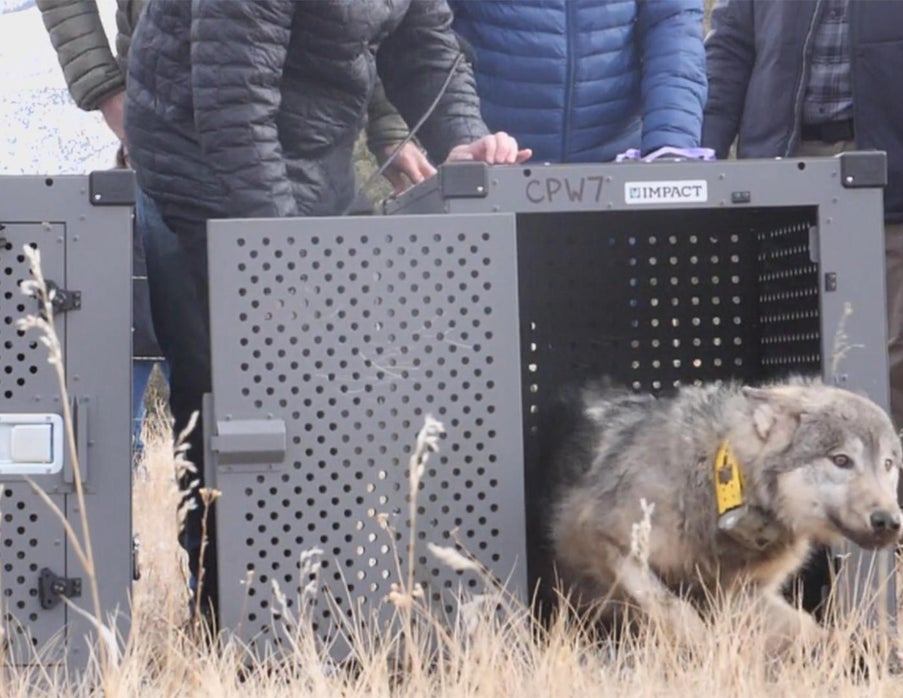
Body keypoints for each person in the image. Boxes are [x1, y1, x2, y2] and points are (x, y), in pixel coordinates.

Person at [122, 0, 532, 626]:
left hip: (316, 148)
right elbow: (234, 105)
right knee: (227, 386)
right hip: (198, 156)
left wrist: (464, 135)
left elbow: (425, 42)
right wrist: (288, 266)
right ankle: (228, 614)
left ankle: (337, 604)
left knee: (341, 385)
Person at [34, 0, 439, 458]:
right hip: (174, 127)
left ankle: (324, 498)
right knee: (203, 373)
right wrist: (104, 88)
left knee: (325, 368)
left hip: (309, 138)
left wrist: (388, 123)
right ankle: (205, 503)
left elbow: (368, 19)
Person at [701, 0, 903, 566]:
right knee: (775, 380)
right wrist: (700, 162)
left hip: (900, 186)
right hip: (777, 176)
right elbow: (730, 49)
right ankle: (778, 565)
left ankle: (900, 562)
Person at [445, 0, 708, 163]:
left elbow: (674, 30)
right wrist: (468, 140)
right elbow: (433, 37)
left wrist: (670, 145)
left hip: (616, 168)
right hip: (493, 166)